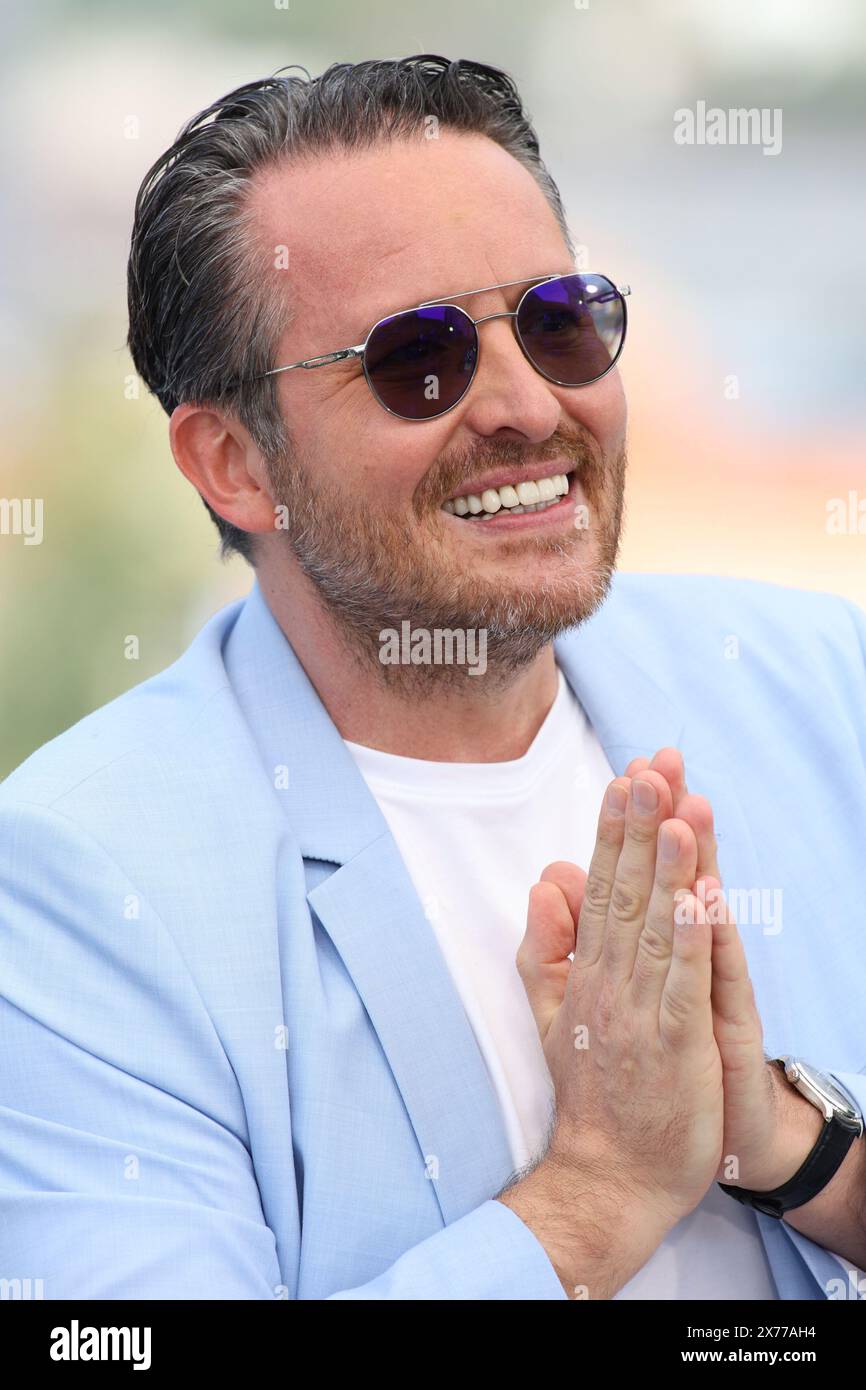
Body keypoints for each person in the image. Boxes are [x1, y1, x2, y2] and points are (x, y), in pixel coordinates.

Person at [1, 56, 864, 1301]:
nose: (525, 404)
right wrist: (591, 1199)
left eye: (560, 320)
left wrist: (792, 1147)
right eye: (420, 358)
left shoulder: (810, 686)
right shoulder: (79, 884)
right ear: (235, 461)